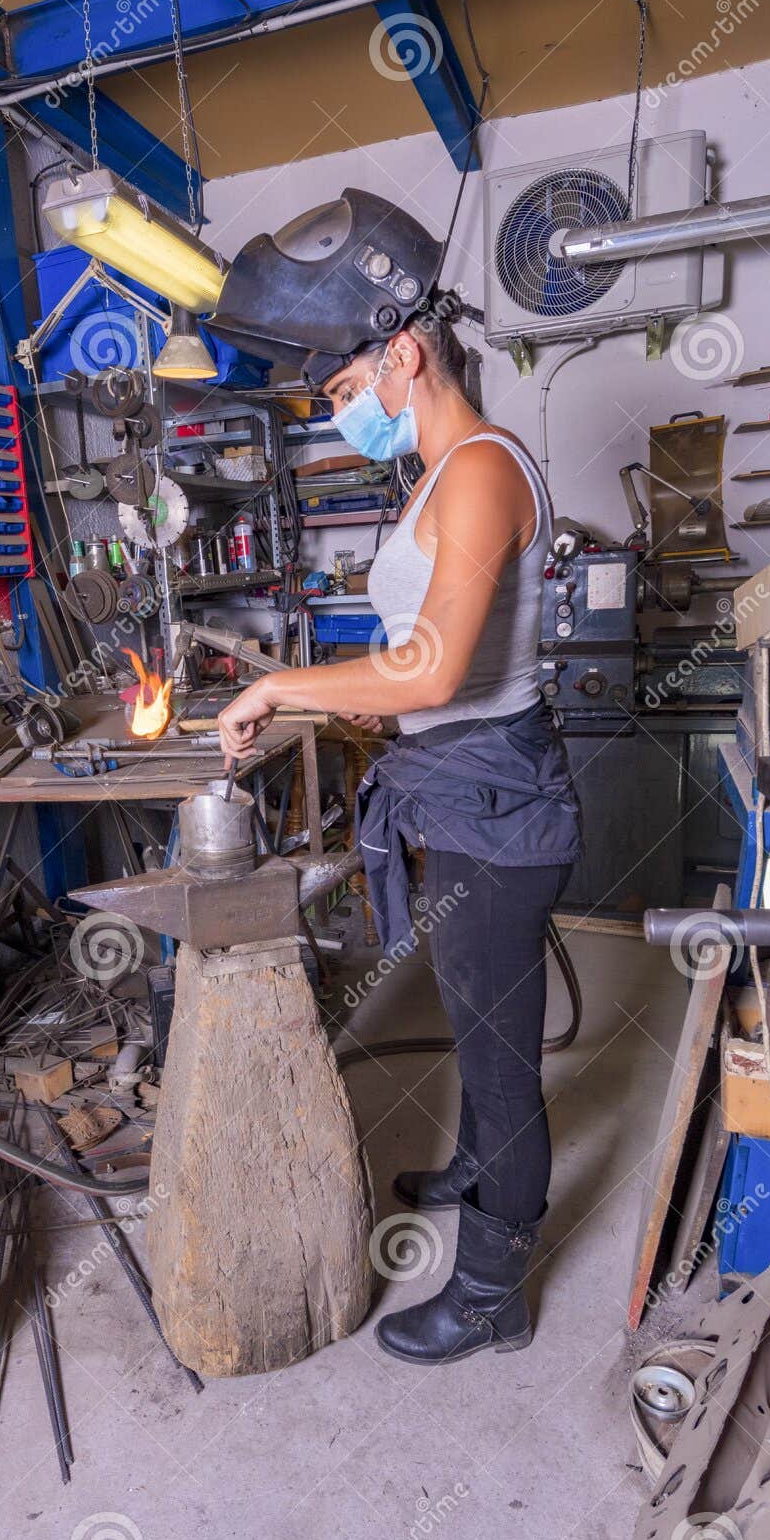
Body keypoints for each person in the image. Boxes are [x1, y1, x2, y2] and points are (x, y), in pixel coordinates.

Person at [213, 191, 582, 1368]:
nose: (335, 413)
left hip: (496, 808)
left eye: (339, 387)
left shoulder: (475, 471)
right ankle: (472, 1171)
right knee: (477, 1016)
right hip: (465, 797)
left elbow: (424, 671)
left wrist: (281, 687)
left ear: (403, 352)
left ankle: (489, 1290)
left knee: (496, 1055)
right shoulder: (437, 473)